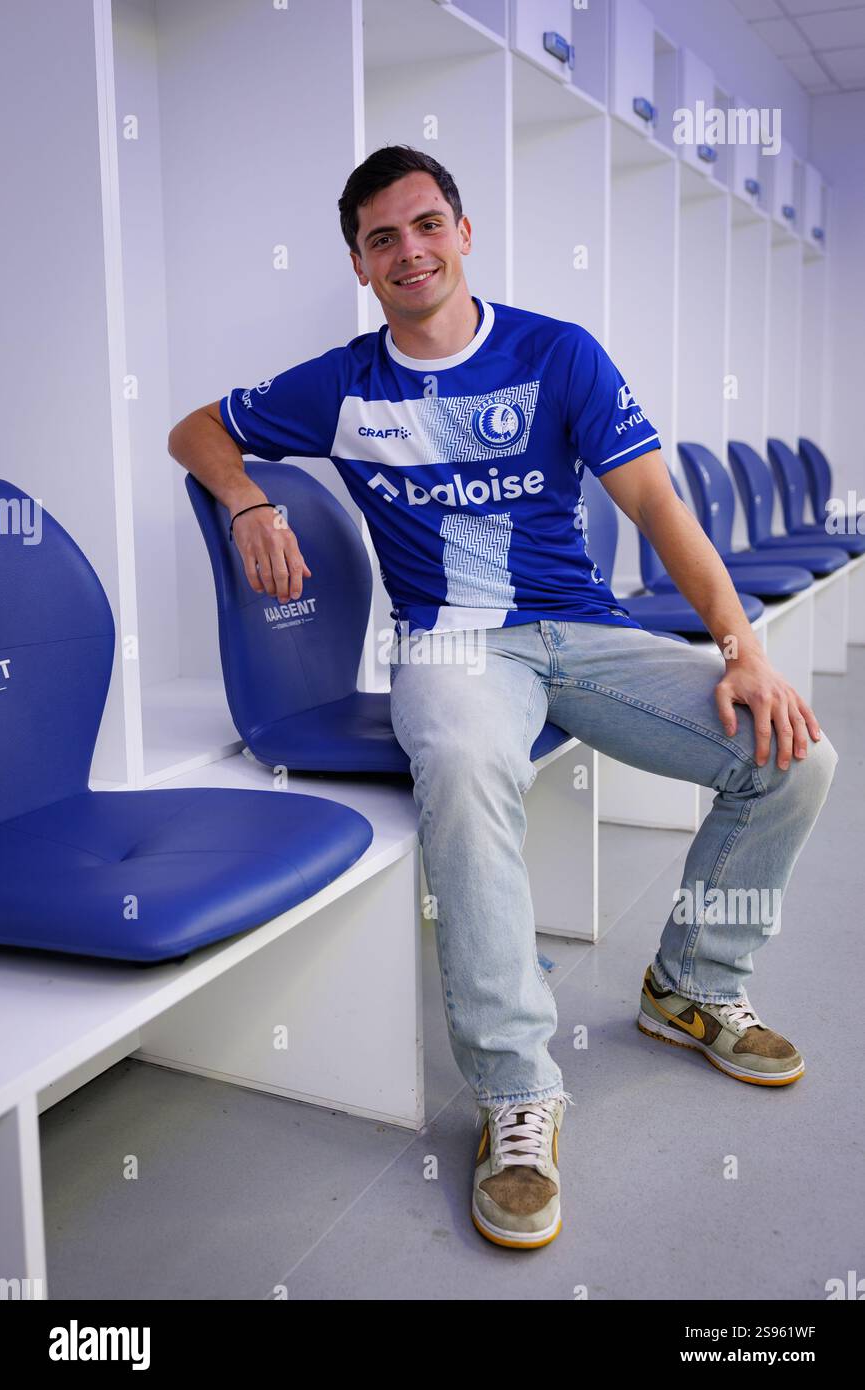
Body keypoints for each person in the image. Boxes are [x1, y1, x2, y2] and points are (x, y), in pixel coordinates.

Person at [168, 144, 838, 1252]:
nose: (409, 249)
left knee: (791, 754)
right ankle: (517, 1097)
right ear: (359, 263)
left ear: (463, 233)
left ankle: (691, 985)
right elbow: (195, 428)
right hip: (451, 644)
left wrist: (739, 646)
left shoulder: (556, 354)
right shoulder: (342, 383)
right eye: (383, 238)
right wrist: (243, 500)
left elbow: (660, 510)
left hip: (581, 631)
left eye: (426, 223)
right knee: (470, 769)